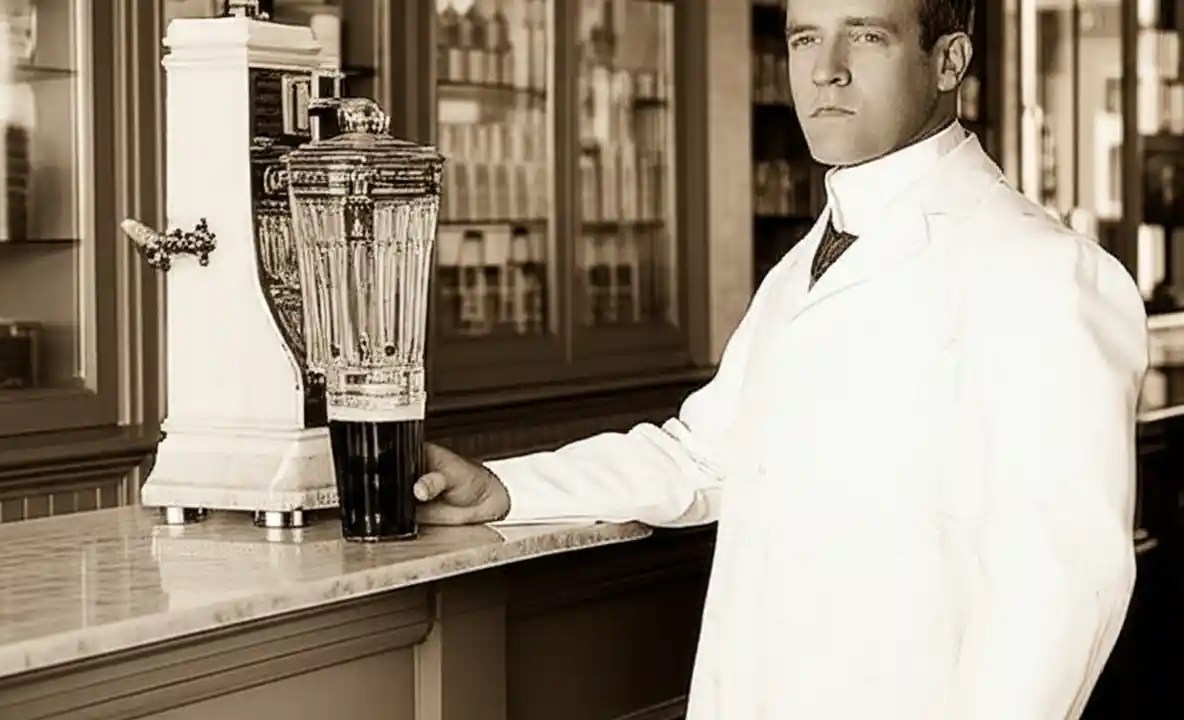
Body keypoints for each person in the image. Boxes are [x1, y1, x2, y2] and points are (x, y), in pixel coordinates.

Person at [414, 0, 1150, 716]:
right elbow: (704, 459)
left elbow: (1063, 588)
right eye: (804, 39)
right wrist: (502, 491)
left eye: (864, 36)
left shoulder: (1042, 273)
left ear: (949, 60)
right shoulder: (805, 266)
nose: (825, 71)